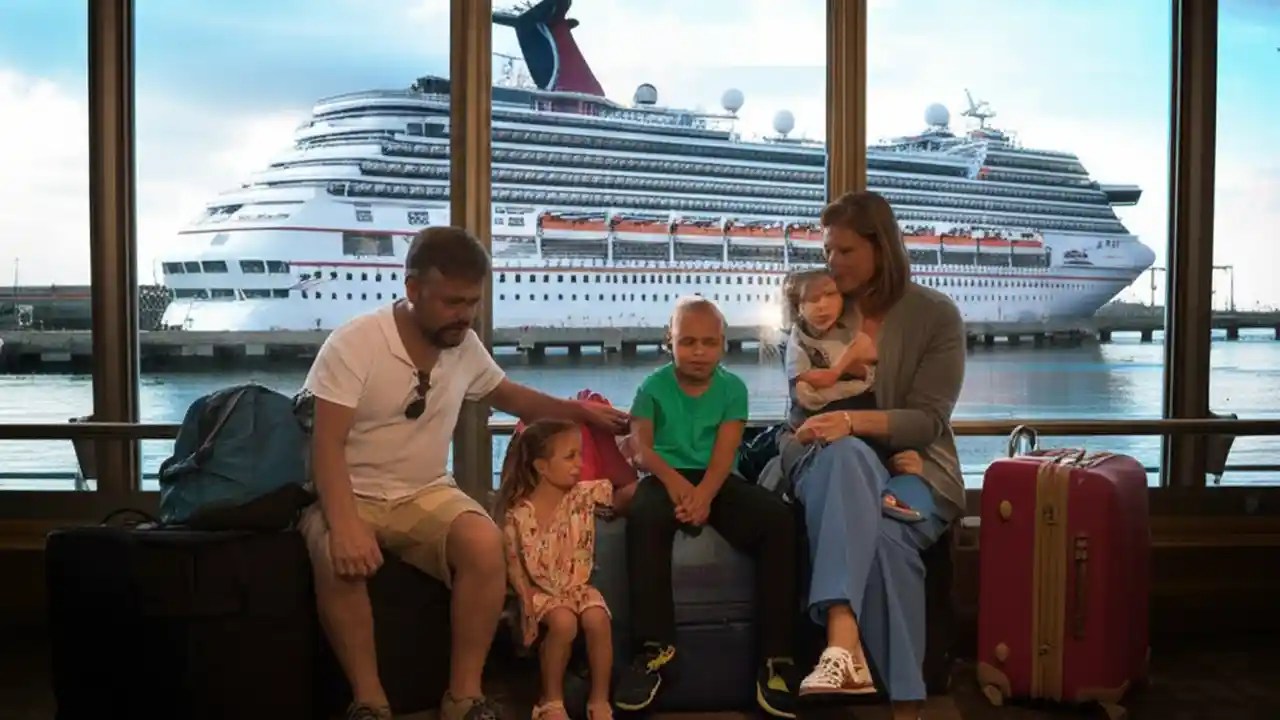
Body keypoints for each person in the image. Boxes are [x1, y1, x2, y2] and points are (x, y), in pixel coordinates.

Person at [299, 226, 630, 720]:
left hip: (426, 491)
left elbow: (512, 397)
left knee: (483, 543)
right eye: (453, 302)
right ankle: (369, 702)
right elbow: (324, 444)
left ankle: (463, 696)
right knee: (334, 555)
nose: (465, 315)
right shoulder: (355, 344)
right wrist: (344, 523)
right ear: (413, 290)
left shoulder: (464, 345)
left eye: (472, 302)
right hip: (352, 489)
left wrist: (580, 413)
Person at [781, 191, 966, 720]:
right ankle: (872, 671)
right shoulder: (821, 305)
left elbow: (927, 420)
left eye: (845, 252)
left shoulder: (935, 315)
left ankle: (872, 675)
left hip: (916, 464)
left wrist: (854, 422)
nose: (831, 264)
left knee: (886, 538)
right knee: (847, 458)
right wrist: (844, 429)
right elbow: (800, 404)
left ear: (881, 248)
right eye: (827, 251)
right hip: (822, 455)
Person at [613, 296, 800, 719]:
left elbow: (725, 453)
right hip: (666, 474)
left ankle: (776, 657)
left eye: (709, 343)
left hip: (719, 479)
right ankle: (654, 649)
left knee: (778, 520)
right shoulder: (653, 387)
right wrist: (680, 488)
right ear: (670, 343)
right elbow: (641, 451)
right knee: (644, 516)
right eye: (688, 342)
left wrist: (705, 496)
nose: (699, 352)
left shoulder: (732, 388)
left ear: (723, 344)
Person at [783, 268, 928, 523]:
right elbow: (803, 382)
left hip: (857, 404)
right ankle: (878, 491)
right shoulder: (799, 339)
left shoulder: (850, 330)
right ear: (798, 307)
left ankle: (887, 483)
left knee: (873, 438)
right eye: (813, 300)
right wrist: (841, 372)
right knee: (831, 447)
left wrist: (838, 370)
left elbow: (867, 362)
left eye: (830, 295)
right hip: (821, 411)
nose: (823, 306)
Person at [495, 419, 617, 720]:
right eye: (570, 457)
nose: (580, 464)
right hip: (541, 593)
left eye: (580, 454)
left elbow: (620, 486)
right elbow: (516, 572)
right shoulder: (518, 516)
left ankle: (599, 701)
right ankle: (551, 701)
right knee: (563, 623)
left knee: (598, 618)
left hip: (578, 586)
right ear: (541, 466)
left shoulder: (583, 496)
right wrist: (526, 612)